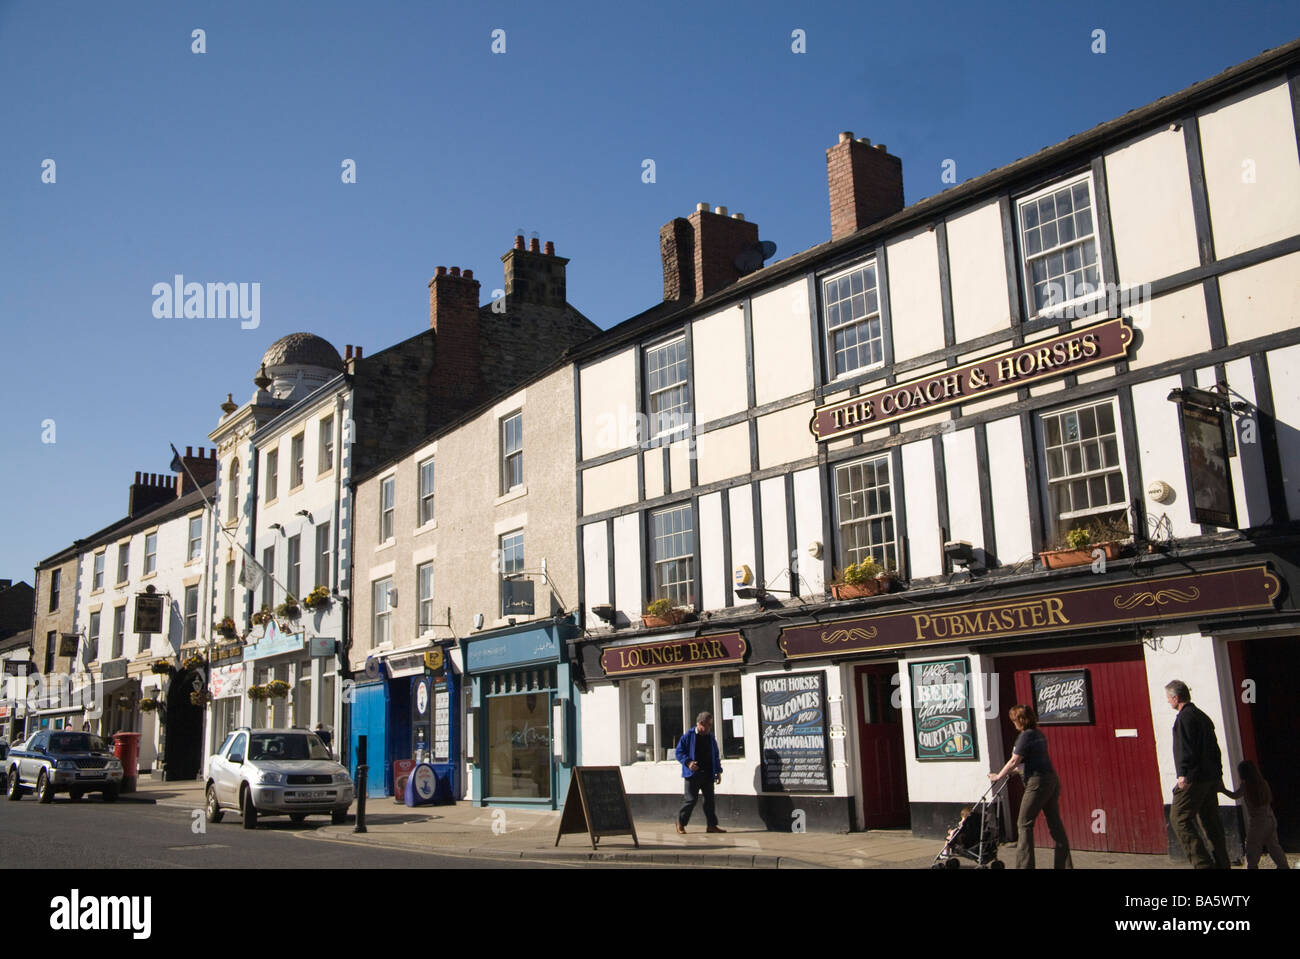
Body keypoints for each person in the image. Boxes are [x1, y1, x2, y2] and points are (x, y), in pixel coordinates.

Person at [989, 704, 1073, 869]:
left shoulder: (1025, 736)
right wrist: (1013, 772)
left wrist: (998, 776)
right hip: (1050, 779)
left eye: (1014, 720)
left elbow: (1015, 760)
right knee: (1055, 823)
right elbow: (1029, 761)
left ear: (1020, 720)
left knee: (1024, 823)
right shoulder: (1038, 735)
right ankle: (1064, 866)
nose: (1013, 724)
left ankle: (1025, 866)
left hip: (1037, 782)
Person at [1165, 679, 1229, 869]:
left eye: (1168, 698)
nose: (1168, 702)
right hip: (1210, 777)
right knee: (1211, 821)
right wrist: (1218, 775)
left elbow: (1184, 749)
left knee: (1178, 819)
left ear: (1176, 697)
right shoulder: (1202, 716)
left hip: (1194, 778)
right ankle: (1222, 863)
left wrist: (1182, 775)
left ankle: (1203, 864)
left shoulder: (1184, 719)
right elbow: (1214, 749)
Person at [1219, 760, 1288, 870]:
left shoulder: (1246, 785)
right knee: (1274, 846)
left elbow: (1235, 796)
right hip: (1270, 818)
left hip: (1258, 822)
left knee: (1252, 849)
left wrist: (1222, 790)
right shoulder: (1263, 783)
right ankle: (1283, 866)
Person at [675, 712, 725, 834]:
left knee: (709, 800)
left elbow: (715, 755)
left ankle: (711, 826)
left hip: (708, 773)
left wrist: (718, 771)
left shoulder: (710, 737)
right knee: (691, 800)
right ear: (701, 724)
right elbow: (679, 752)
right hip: (693, 774)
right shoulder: (689, 735)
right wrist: (688, 763)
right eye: (709, 724)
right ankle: (680, 822)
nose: (710, 727)